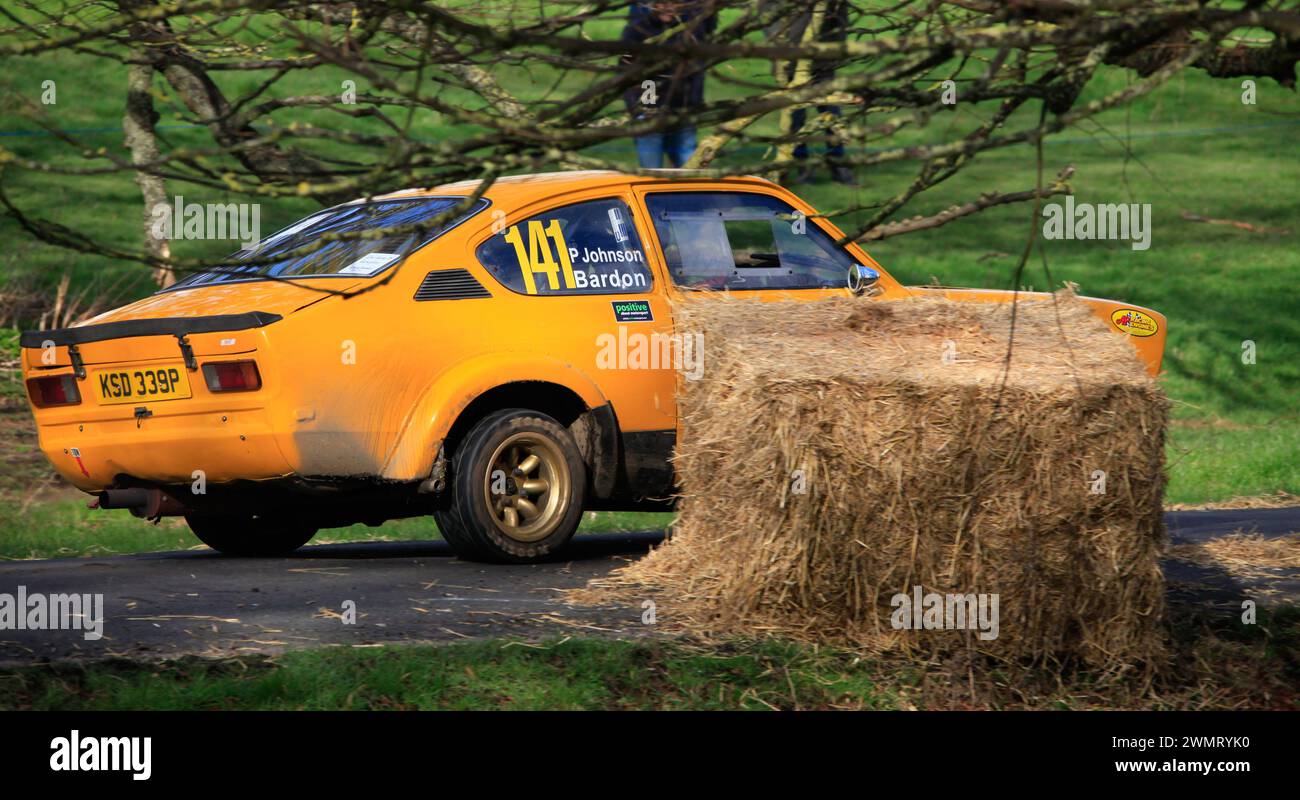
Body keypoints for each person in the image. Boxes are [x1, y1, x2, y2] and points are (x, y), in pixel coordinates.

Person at [769, 1, 855, 185]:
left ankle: (837, 163)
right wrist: (779, 41)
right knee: (795, 117)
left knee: (832, 113)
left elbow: (841, 18)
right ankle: (803, 165)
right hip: (790, 60)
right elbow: (767, 14)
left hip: (822, 60)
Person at [621, 2, 716, 168]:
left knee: (689, 166)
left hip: (684, 108)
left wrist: (693, 104)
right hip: (650, 107)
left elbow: (696, 70)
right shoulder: (638, 31)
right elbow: (629, 73)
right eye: (663, 3)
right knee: (652, 171)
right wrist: (644, 108)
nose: (670, 8)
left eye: (675, 3)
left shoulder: (690, 30)